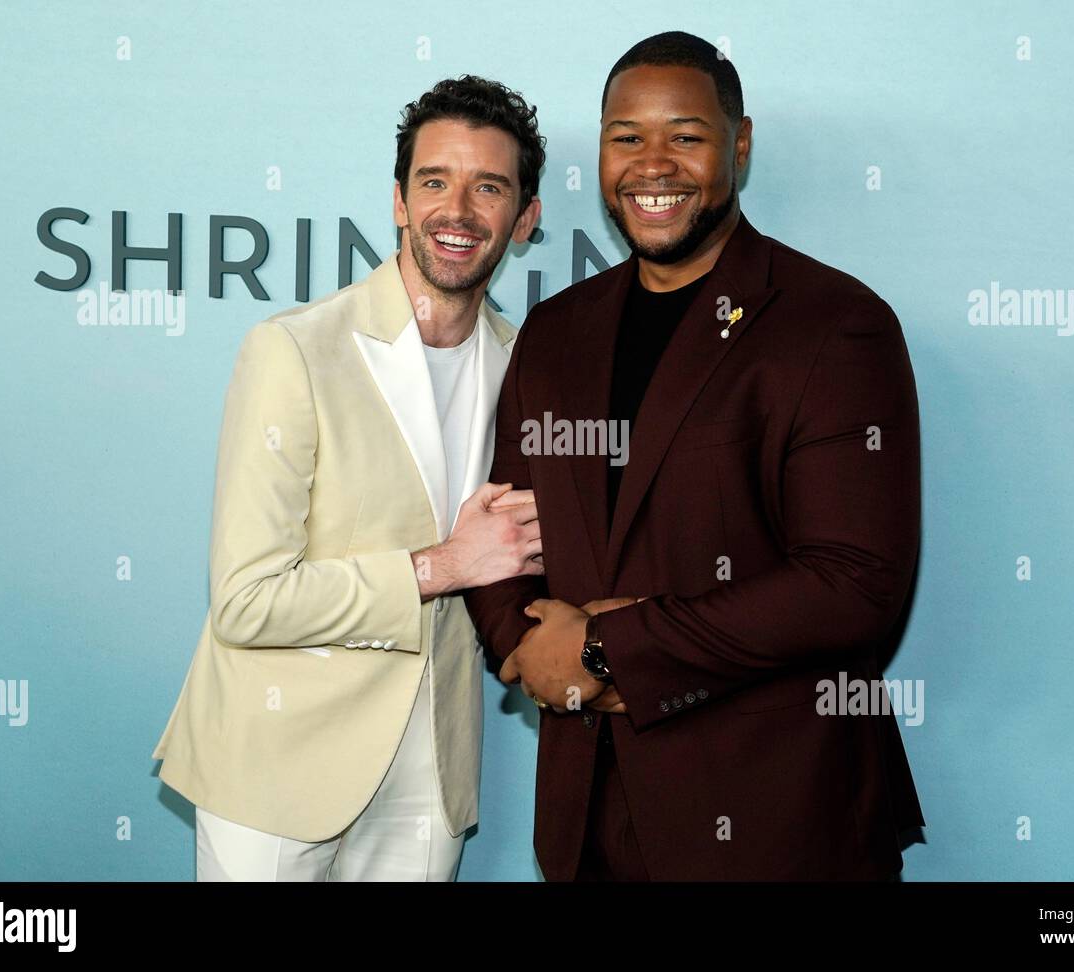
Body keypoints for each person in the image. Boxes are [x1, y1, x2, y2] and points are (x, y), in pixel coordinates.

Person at [464, 32, 925, 880]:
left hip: (776, 820)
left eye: (686, 135)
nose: (653, 164)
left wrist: (608, 651)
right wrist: (523, 648)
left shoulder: (834, 324)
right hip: (587, 819)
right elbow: (503, 529)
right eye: (626, 137)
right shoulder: (558, 334)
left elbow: (854, 583)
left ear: (738, 146)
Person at [152, 75, 546, 881]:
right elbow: (246, 599)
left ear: (526, 217)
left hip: (430, 776)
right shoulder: (293, 350)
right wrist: (444, 567)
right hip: (276, 764)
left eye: (489, 187)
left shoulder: (530, 369)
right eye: (434, 181)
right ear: (399, 202)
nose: (458, 210)